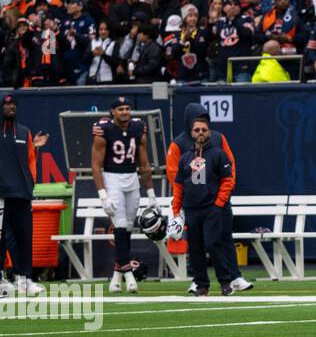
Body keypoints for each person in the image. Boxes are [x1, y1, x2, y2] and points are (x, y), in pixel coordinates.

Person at [165, 104, 252, 297]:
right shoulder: (180, 148)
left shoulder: (218, 144)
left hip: (215, 204)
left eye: (205, 127)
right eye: (197, 128)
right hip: (192, 206)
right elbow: (177, 180)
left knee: (219, 240)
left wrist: (221, 201)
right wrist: (176, 209)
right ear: (190, 127)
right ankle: (200, 283)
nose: (201, 131)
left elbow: (229, 174)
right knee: (195, 246)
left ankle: (230, 278)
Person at [91, 96, 158, 293]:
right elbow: (95, 165)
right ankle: (129, 274)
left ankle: (116, 277)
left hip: (131, 177)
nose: (125, 112)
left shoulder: (138, 128)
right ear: (113, 112)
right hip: (112, 178)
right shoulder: (103, 130)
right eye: (120, 109)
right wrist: (103, 194)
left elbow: (144, 163)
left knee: (127, 228)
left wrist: (151, 193)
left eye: (127, 108)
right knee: (119, 226)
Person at [0, 94, 48, 296]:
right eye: (6, 104)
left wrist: (30, 185)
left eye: (13, 104)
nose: (11, 107)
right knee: (2, 239)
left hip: (21, 193)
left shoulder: (24, 132)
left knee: (24, 237)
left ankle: (25, 279)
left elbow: (30, 161)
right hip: (2, 194)